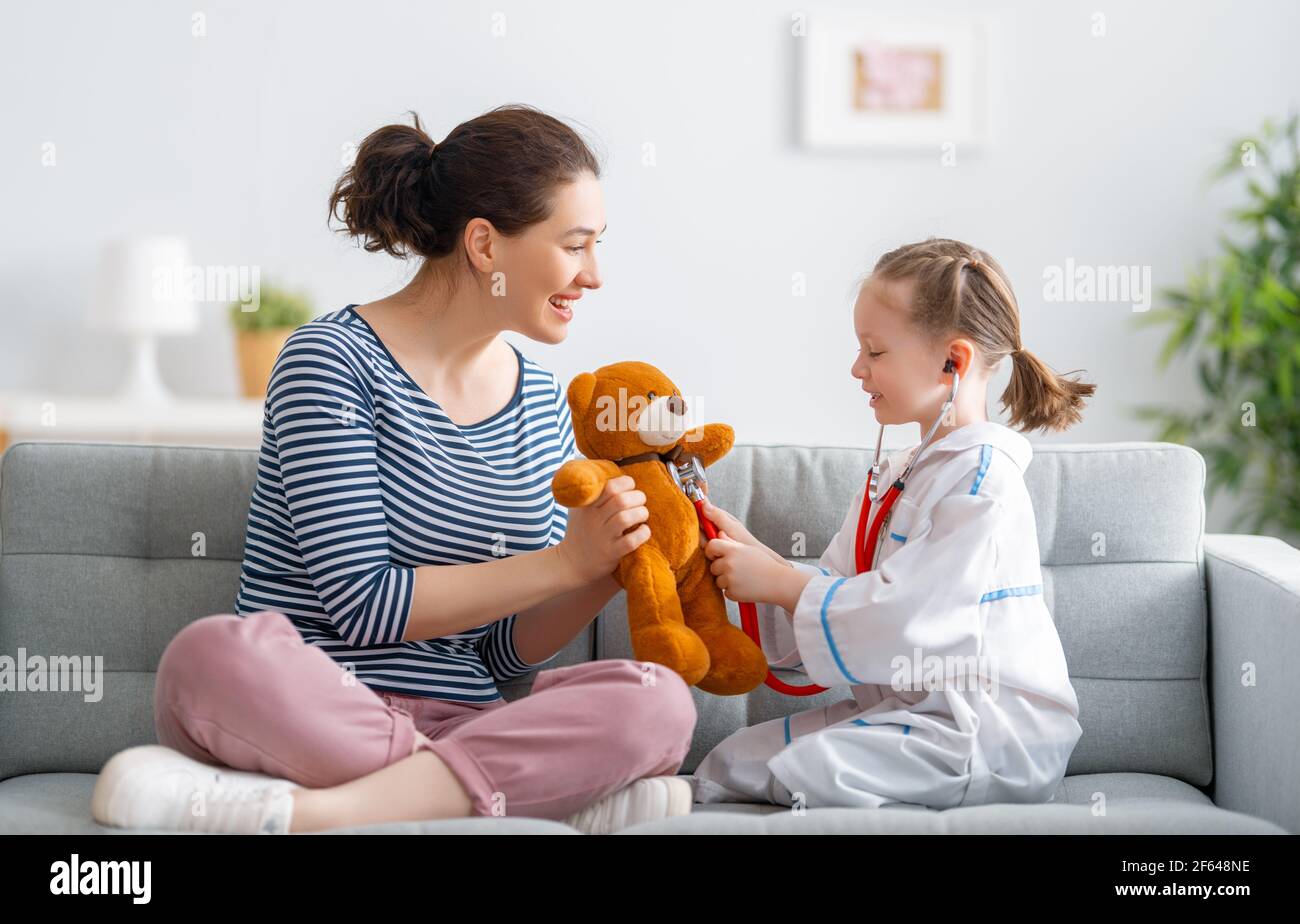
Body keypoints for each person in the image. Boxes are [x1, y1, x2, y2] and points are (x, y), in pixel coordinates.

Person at [91, 105, 697, 835]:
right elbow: (364, 603)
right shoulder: (331, 362)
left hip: (463, 715)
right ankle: (488, 788)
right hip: (314, 707)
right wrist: (569, 561)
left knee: (657, 701)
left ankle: (325, 811)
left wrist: (609, 561)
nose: (594, 276)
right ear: (484, 245)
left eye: (598, 246)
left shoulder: (542, 401)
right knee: (211, 656)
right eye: (575, 246)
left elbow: (499, 655)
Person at [692, 237, 1095, 811]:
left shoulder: (985, 481)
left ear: (952, 362)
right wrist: (754, 555)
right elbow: (840, 582)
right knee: (735, 756)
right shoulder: (898, 474)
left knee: (815, 766)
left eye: (874, 352)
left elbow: (911, 615)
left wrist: (780, 582)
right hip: (913, 714)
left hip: (988, 730)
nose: (857, 369)